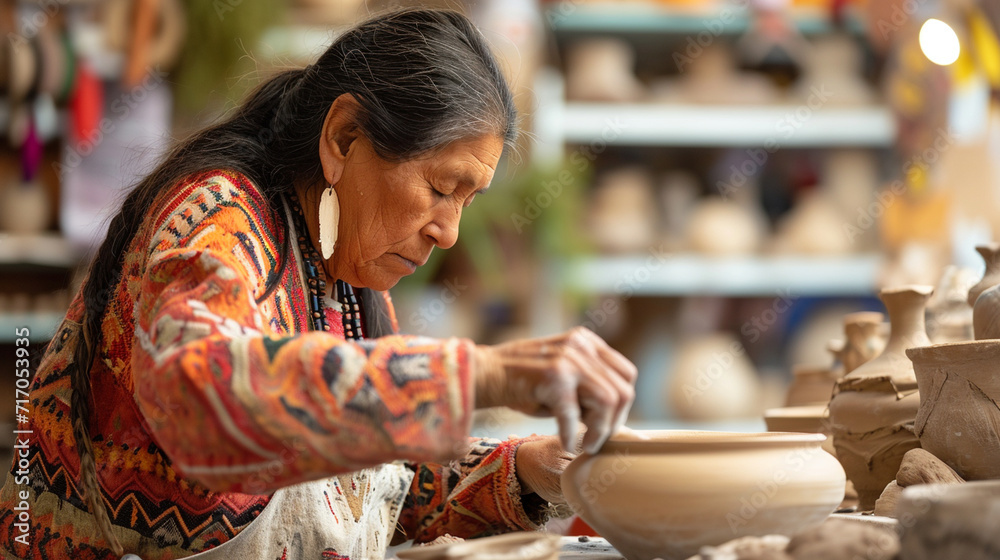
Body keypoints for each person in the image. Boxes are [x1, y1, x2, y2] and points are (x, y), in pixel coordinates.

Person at [0, 8, 636, 560]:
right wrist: (483, 375)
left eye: (468, 200)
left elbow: (382, 482)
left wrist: (530, 470)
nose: (449, 232)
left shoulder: (340, 281)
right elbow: (200, 401)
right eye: (441, 189)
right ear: (343, 138)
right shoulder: (216, 222)